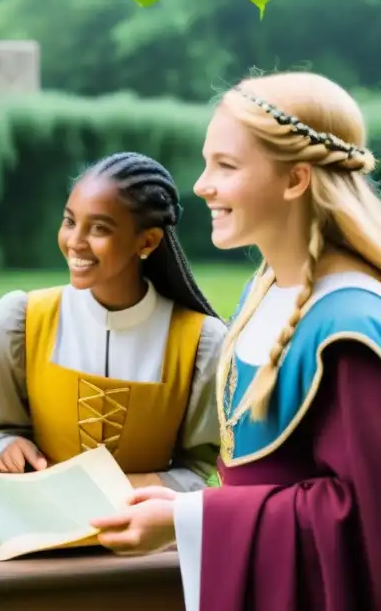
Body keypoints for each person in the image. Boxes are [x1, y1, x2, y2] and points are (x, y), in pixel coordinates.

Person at [90, 72, 381, 611]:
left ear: (295, 180)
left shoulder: (348, 330)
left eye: (225, 165)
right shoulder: (266, 289)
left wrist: (189, 518)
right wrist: (193, 511)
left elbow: (363, 519)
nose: (200, 185)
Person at [0, 152, 226, 491]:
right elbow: (7, 434)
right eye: (69, 221)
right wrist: (8, 446)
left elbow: (195, 473)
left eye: (99, 228)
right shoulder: (21, 320)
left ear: (148, 241)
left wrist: (99, 490)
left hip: (145, 538)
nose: (75, 242)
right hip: (43, 532)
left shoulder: (202, 343)